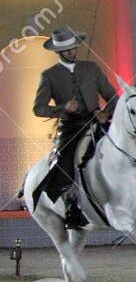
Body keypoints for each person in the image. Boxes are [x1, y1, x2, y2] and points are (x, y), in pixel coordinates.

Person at [31, 28, 116, 230]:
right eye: (67, 50)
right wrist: (62, 108)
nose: (71, 52)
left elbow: (112, 95)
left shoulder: (91, 68)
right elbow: (38, 108)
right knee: (65, 161)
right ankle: (72, 207)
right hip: (70, 126)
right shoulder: (49, 76)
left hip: (97, 120)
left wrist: (105, 113)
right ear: (58, 52)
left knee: (132, 142)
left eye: (73, 48)